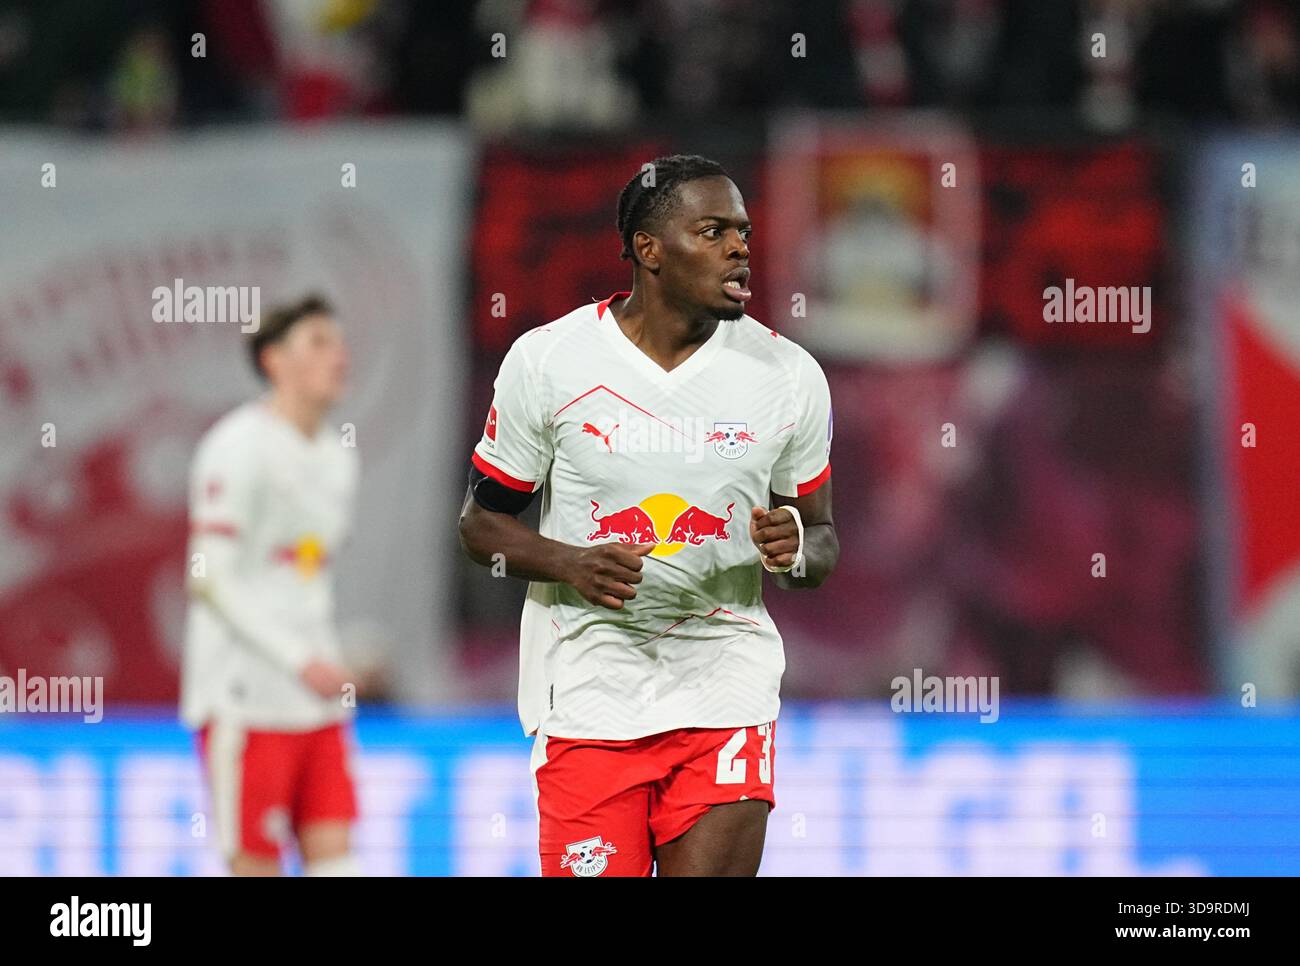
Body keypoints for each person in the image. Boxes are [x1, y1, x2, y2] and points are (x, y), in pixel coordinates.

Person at [459, 155, 838, 877]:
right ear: (648, 250)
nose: (740, 248)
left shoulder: (788, 377)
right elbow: (480, 527)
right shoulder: (550, 363)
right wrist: (570, 561)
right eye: (714, 230)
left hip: (725, 685)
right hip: (589, 697)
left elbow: (820, 539)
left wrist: (794, 549)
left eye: (744, 232)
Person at [181, 294, 361, 876]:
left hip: (316, 706)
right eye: (319, 343)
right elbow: (207, 577)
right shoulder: (236, 447)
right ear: (273, 361)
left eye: (338, 342)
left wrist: (329, 658)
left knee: (339, 867)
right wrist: (297, 657)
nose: (339, 356)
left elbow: (305, 576)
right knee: (255, 868)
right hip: (244, 700)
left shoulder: (337, 454)